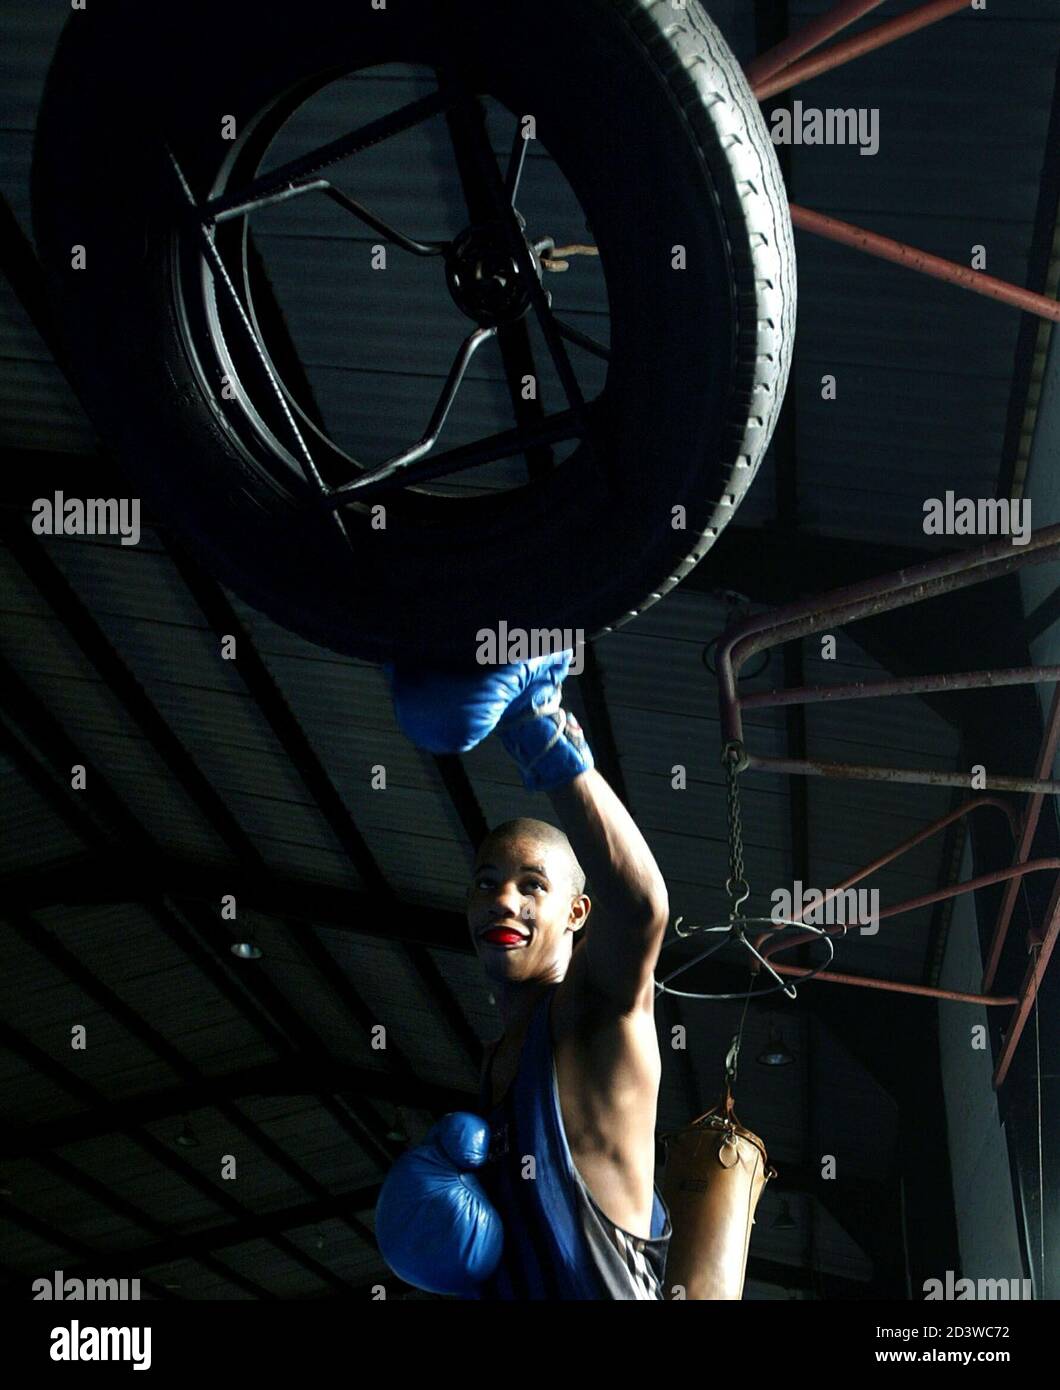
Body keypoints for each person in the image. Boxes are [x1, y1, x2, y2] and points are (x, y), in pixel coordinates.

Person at [377, 650, 672, 1299]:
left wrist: (538, 727)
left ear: (576, 913)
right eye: (487, 883)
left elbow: (642, 907)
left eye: (531, 885)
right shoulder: (494, 1060)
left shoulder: (589, 1013)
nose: (504, 900)